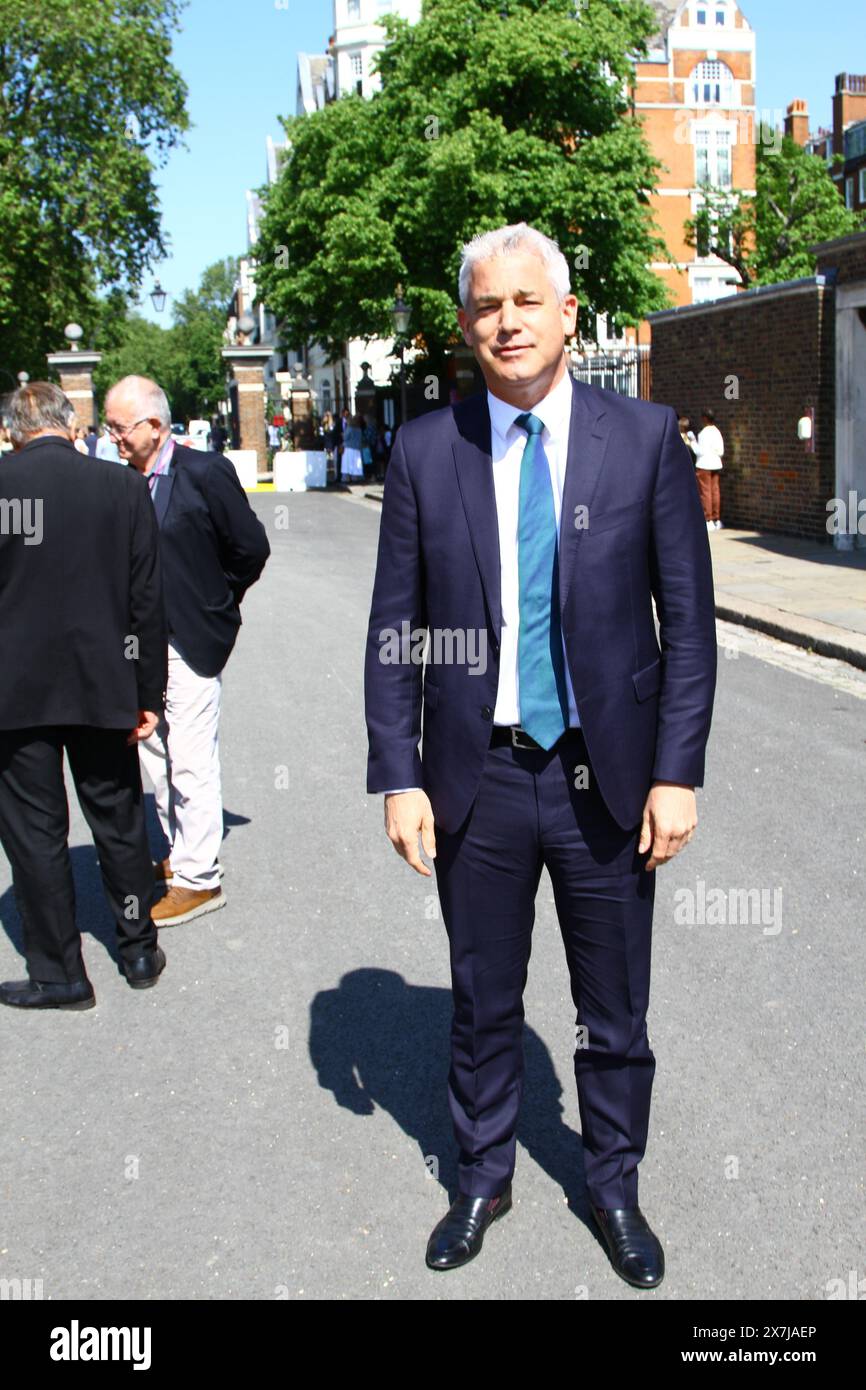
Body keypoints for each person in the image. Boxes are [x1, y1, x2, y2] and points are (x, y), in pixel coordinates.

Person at [364, 222, 717, 1285]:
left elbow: (687, 627)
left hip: (603, 777)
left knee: (614, 1008)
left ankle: (611, 1183)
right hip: (479, 776)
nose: (506, 321)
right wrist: (398, 771)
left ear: (568, 315)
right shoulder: (429, 450)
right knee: (481, 998)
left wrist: (675, 769)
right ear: (464, 323)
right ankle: (480, 1174)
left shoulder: (643, 437)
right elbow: (396, 628)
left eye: (526, 301)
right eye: (485, 304)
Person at [0, 382, 168, 1009]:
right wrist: (149, 689)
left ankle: (60, 972)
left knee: (35, 834)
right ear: (72, 424)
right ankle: (139, 947)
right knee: (119, 821)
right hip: (106, 683)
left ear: (15, 429)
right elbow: (147, 599)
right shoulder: (121, 486)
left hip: (17, 692)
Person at [104, 375, 271, 927]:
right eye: (109, 428)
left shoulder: (204, 472)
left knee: (192, 760)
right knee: (154, 753)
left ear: (155, 425)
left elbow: (249, 548)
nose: (113, 438)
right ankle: (180, 854)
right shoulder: (122, 482)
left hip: (189, 642)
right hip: (138, 647)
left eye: (121, 428)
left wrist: (215, 602)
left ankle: (201, 881)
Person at [694, 408, 724, 530]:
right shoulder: (717, 432)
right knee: (715, 491)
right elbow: (721, 451)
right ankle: (717, 519)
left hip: (704, 464)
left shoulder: (703, 434)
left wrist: (692, 442)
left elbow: (699, 452)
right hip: (716, 464)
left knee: (705, 492)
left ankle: (708, 519)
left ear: (705, 418)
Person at [341, 414, 365, 482]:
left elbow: (345, 438)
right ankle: (356, 477)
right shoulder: (359, 429)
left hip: (348, 448)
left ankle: (347, 478)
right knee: (356, 464)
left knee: (347, 464)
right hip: (357, 449)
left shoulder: (349, 428)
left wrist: (343, 434)